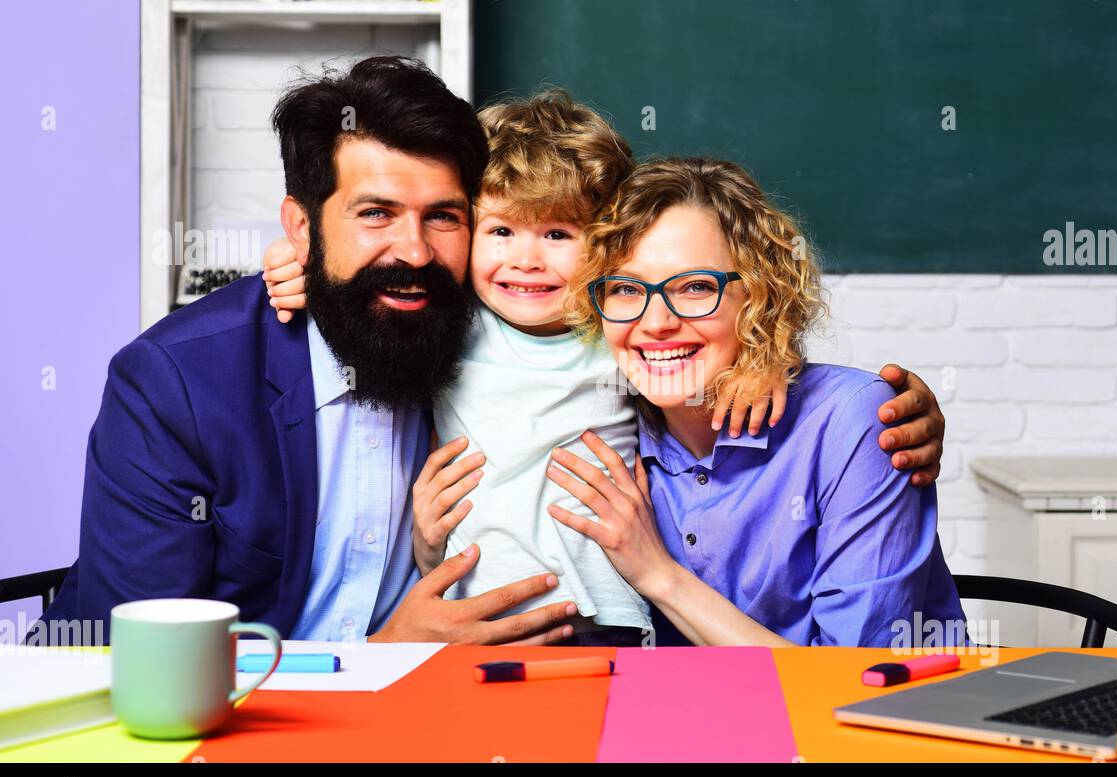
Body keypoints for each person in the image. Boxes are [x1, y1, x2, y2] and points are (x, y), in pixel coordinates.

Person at [261, 90, 951, 645]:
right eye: (628, 290)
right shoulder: (476, 335)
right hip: (492, 631)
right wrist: (305, 263)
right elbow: (386, 285)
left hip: (658, 651)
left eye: (558, 235)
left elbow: (854, 693)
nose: (654, 324)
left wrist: (771, 360)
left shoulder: (625, 346)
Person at [37, 57, 578, 645]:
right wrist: (387, 656)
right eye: (376, 213)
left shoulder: (477, 327)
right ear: (301, 227)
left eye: (443, 217)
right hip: (188, 719)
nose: (416, 252)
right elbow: (146, 660)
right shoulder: (173, 384)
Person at [546, 157, 967, 646]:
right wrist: (430, 550)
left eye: (696, 287)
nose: (656, 322)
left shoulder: (851, 422)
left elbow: (853, 679)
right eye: (624, 289)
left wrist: (659, 576)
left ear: (760, 297)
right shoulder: (603, 425)